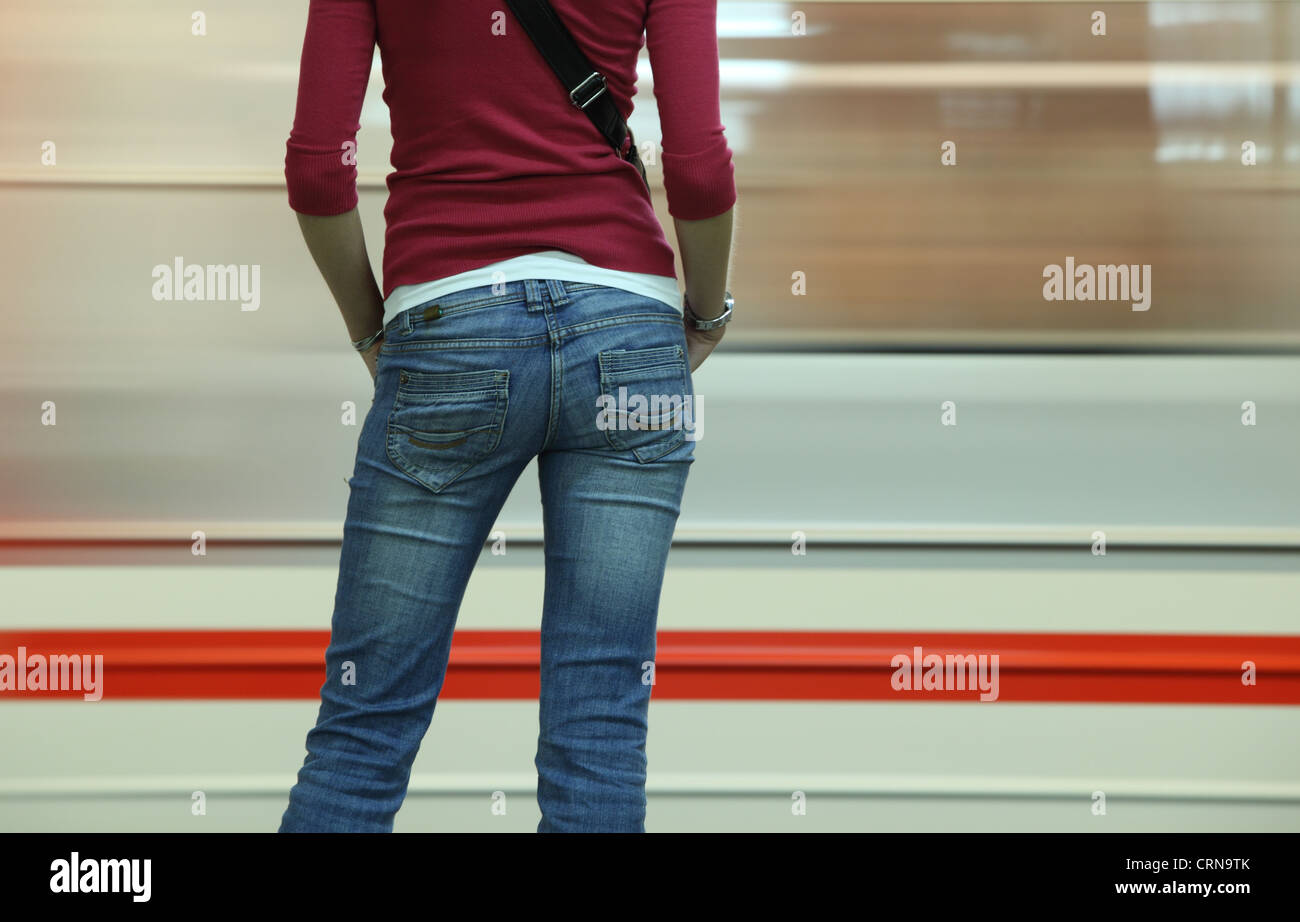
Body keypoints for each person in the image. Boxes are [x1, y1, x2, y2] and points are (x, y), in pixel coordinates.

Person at [277, 0, 736, 833]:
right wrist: (703, 315)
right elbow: (699, 167)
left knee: (362, 733)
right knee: (600, 731)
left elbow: (316, 172)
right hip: (630, 337)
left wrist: (369, 326)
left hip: (448, 324)